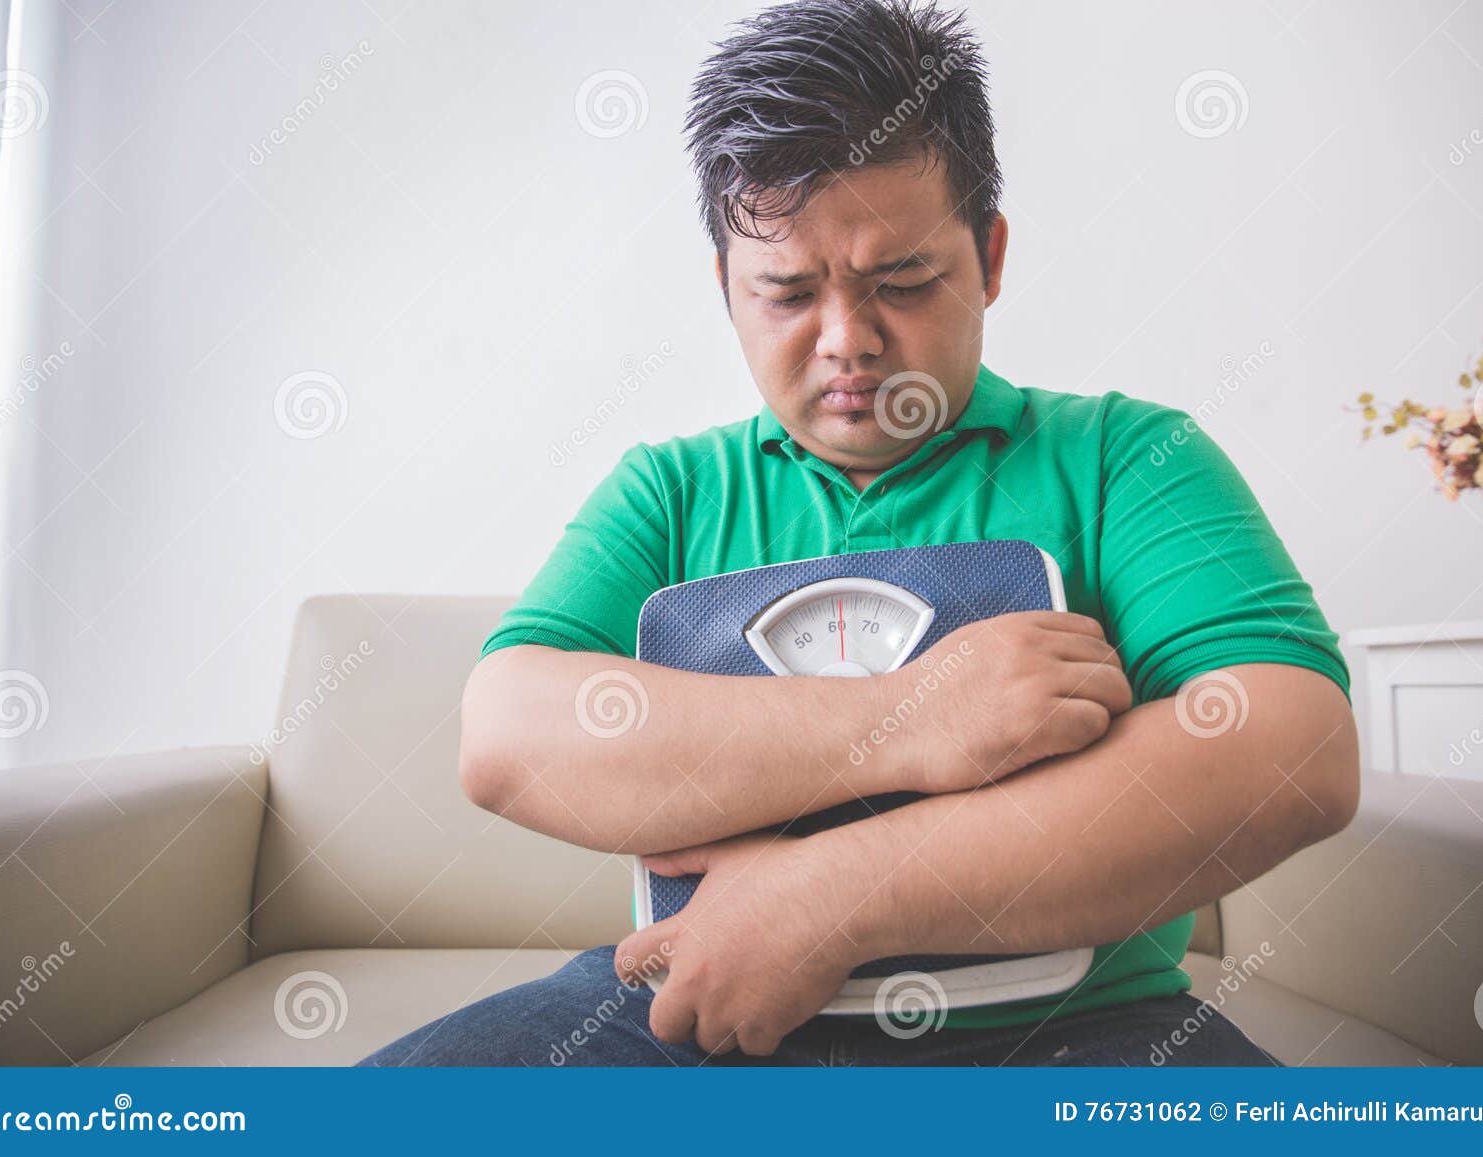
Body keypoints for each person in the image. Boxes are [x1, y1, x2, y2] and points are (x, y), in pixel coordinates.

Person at [359, 0, 1357, 1067]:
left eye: (903, 281)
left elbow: (1286, 748)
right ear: (726, 290)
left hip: (1084, 1034)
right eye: (787, 291)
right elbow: (509, 733)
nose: (848, 341)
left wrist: (832, 895)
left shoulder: (1123, 457)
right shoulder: (671, 490)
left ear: (990, 256)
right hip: (689, 1020)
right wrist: (906, 720)